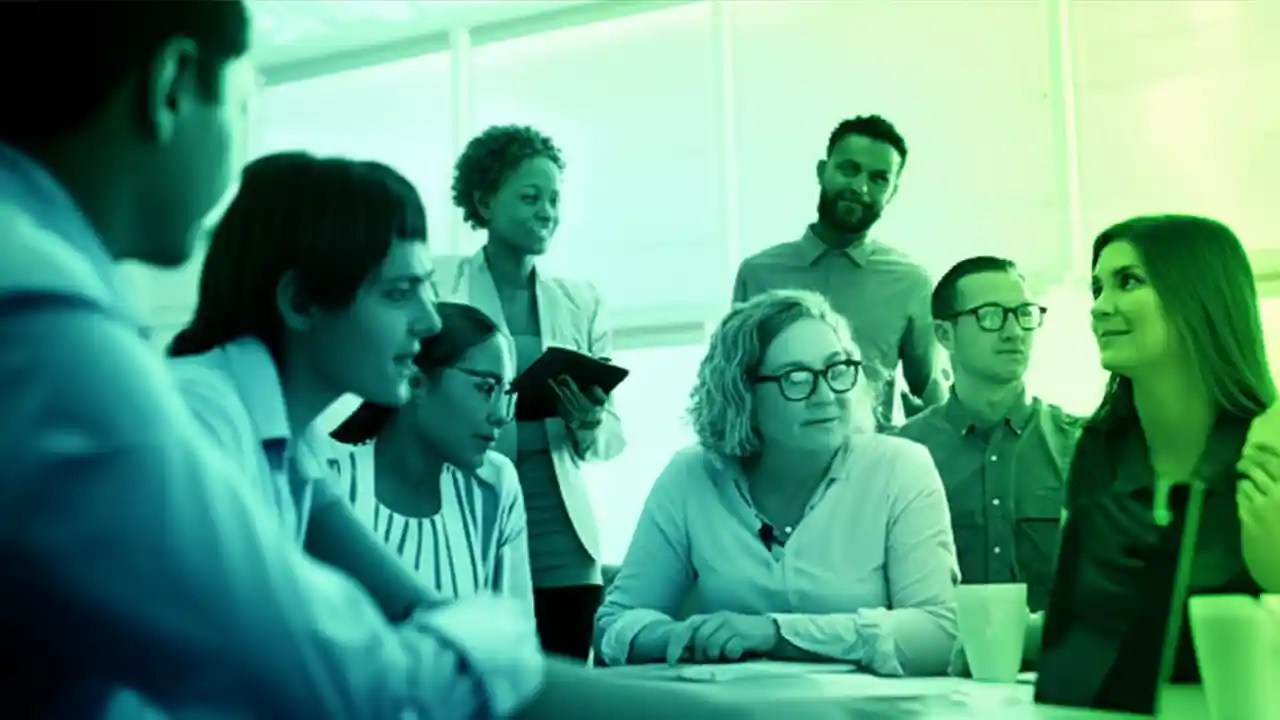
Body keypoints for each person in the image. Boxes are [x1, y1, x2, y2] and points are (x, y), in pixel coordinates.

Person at [0, 3, 547, 718]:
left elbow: (405, 618)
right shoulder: (56, 329)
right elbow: (342, 680)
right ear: (173, 84)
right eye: (241, 103)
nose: (430, 321)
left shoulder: (287, 443)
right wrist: (496, 637)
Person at [594, 289, 960, 677]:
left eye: (837, 370)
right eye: (796, 378)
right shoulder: (691, 476)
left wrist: (775, 633)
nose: (826, 396)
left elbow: (940, 633)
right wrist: (684, 637)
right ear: (742, 394)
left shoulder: (899, 468)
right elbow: (613, 626)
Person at [1035, 215, 1276, 715]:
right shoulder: (1099, 448)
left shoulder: (1268, 442)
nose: (1100, 308)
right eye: (1098, 287)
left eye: (1129, 282)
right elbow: (1088, 629)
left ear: (1199, 296)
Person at [438, 124, 625, 660]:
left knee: (567, 691)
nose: (547, 210)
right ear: (484, 201)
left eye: (554, 199)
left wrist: (586, 420)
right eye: (530, 196)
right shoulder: (440, 289)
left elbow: (612, 436)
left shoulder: (581, 302)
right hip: (472, 514)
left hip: (562, 535)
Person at [896, 256, 1082, 669]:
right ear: (945, 333)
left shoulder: (1082, 445)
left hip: (1055, 685)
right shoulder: (902, 455)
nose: (1014, 331)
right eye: (991, 316)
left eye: (1024, 314)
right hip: (938, 685)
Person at [732, 115, 946, 431]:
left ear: (892, 191)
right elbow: (734, 383)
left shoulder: (911, 283)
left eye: (878, 178)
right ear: (822, 171)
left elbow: (928, 394)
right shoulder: (758, 274)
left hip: (873, 465)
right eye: (849, 169)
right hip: (775, 466)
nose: (860, 187)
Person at [328, 301, 533, 607]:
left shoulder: (495, 487)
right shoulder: (328, 480)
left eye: (506, 394)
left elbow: (514, 638)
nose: (502, 416)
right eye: (486, 388)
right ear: (416, 382)